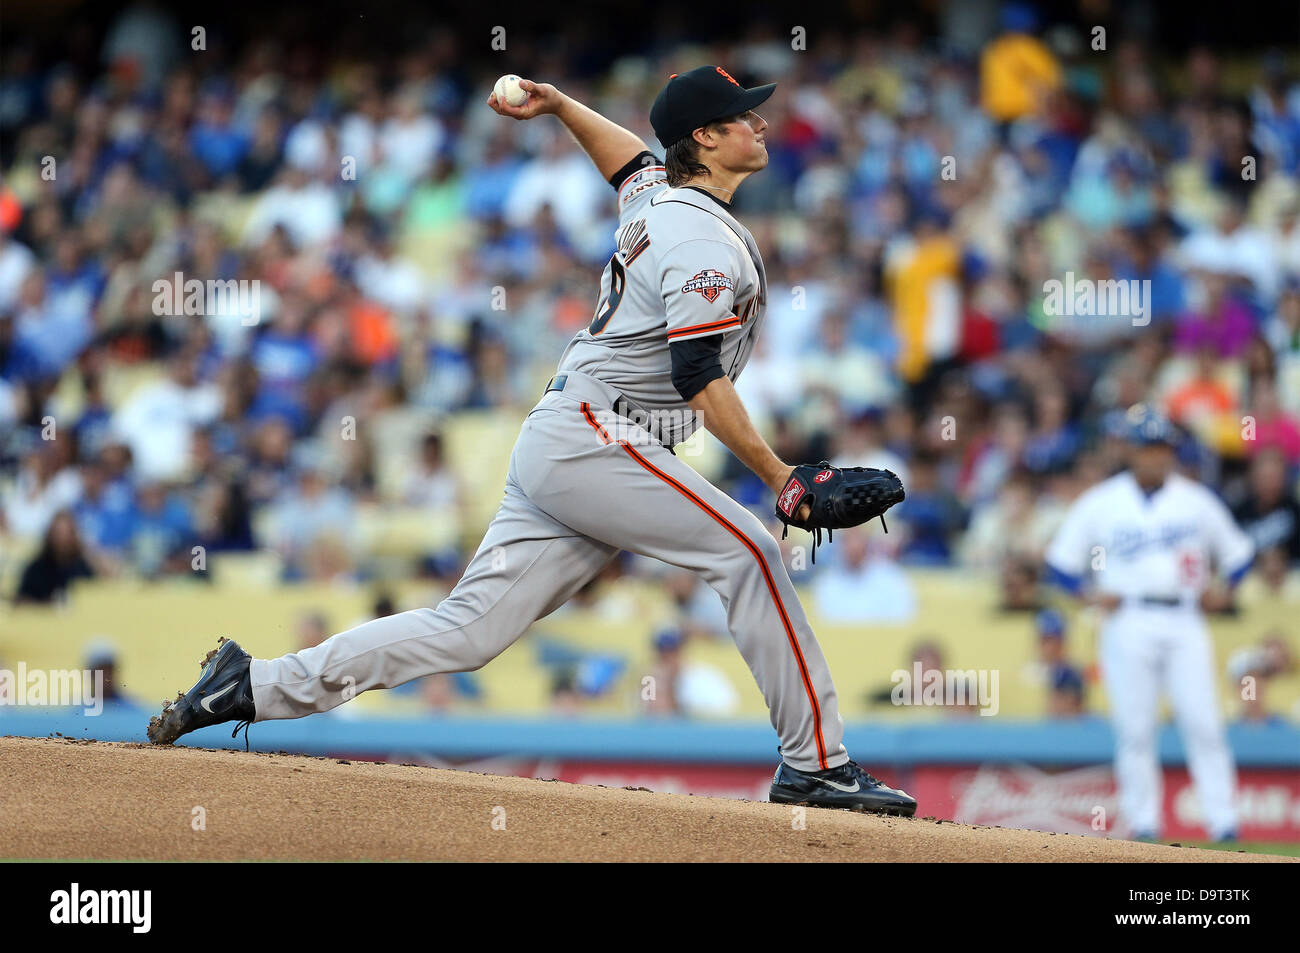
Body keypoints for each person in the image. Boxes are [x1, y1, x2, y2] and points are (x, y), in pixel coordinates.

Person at [146, 67, 916, 816]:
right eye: (744, 115)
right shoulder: (699, 240)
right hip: (597, 434)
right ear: (708, 138)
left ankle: (252, 684)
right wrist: (781, 476)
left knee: (468, 630)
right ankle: (817, 765)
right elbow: (695, 373)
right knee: (748, 550)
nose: (761, 123)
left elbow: (630, 162)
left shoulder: (665, 201)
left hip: (574, 437)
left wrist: (560, 106)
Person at [1044, 404, 1254, 841]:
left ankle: (1225, 824)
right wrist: (1087, 594)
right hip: (1128, 619)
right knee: (1135, 727)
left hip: (1185, 617)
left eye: (1161, 448)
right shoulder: (1102, 502)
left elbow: (1239, 554)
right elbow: (1060, 565)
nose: (1154, 456)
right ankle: (1144, 825)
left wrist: (1226, 590)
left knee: (1204, 721)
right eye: (1146, 448)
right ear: (1130, 451)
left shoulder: (1196, 500)